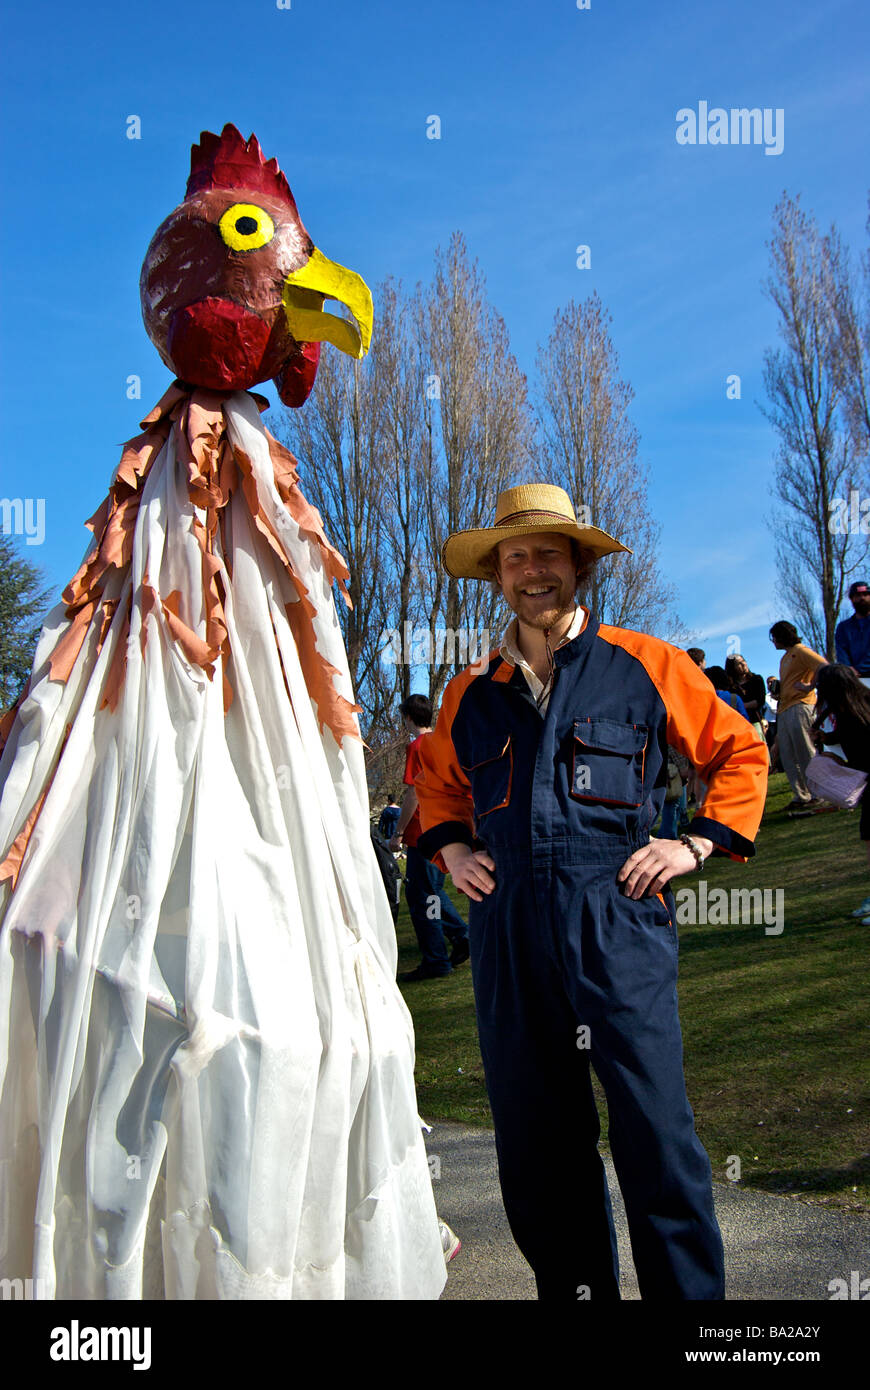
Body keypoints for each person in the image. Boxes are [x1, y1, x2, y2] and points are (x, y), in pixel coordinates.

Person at [413, 483, 768, 1301]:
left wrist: (694, 843)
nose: (531, 570)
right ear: (497, 575)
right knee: (538, 1141)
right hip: (507, 931)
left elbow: (740, 752)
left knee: (654, 1129)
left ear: (579, 565)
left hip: (617, 920)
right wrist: (455, 849)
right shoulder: (471, 691)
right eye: (514, 558)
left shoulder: (645, 664)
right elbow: (434, 785)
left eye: (547, 554)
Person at [390, 694, 469, 980]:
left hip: (421, 832)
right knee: (431, 891)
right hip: (440, 828)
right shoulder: (439, 741)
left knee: (422, 895)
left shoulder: (418, 746)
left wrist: (397, 832)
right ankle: (462, 936)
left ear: (408, 718)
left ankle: (436, 958)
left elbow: (413, 792)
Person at [812, 665, 870, 918]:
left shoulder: (850, 716)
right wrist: (828, 739)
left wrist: (838, 764)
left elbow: (857, 744)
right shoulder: (859, 706)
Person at [769, 621, 827, 811]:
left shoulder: (801, 651)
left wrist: (810, 686)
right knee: (788, 754)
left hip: (801, 706)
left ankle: (819, 794)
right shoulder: (785, 657)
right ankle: (801, 795)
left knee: (805, 751)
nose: (773, 642)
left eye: (774, 637)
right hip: (785, 708)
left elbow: (823, 666)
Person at [725, 654, 767, 742]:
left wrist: (741, 705)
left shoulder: (756, 679)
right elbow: (733, 705)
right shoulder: (731, 687)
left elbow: (759, 701)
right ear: (733, 667)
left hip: (754, 721)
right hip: (739, 724)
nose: (743, 664)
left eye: (743, 661)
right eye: (738, 663)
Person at [835, 581, 870, 682]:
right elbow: (841, 651)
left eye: (865, 595)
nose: (862, 598)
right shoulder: (843, 627)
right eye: (858, 595)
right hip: (853, 680)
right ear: (852, 599)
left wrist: (859, 669)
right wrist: (848, 669)